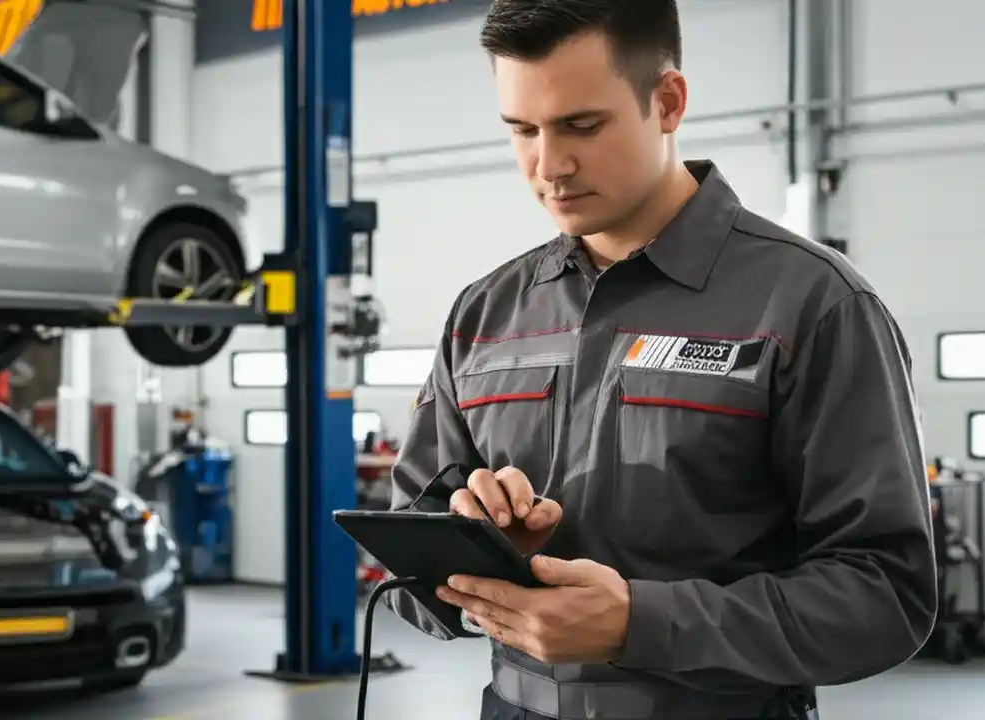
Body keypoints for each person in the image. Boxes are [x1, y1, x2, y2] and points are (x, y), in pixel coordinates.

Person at [383, 1, 939, 718]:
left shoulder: (811, 305)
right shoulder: (487, 313)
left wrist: (638, 624)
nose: (549, 166)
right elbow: (410, 556)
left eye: (582, 125)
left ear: (668, 102)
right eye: (523, 130)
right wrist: (479, 550)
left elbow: (886, 594)